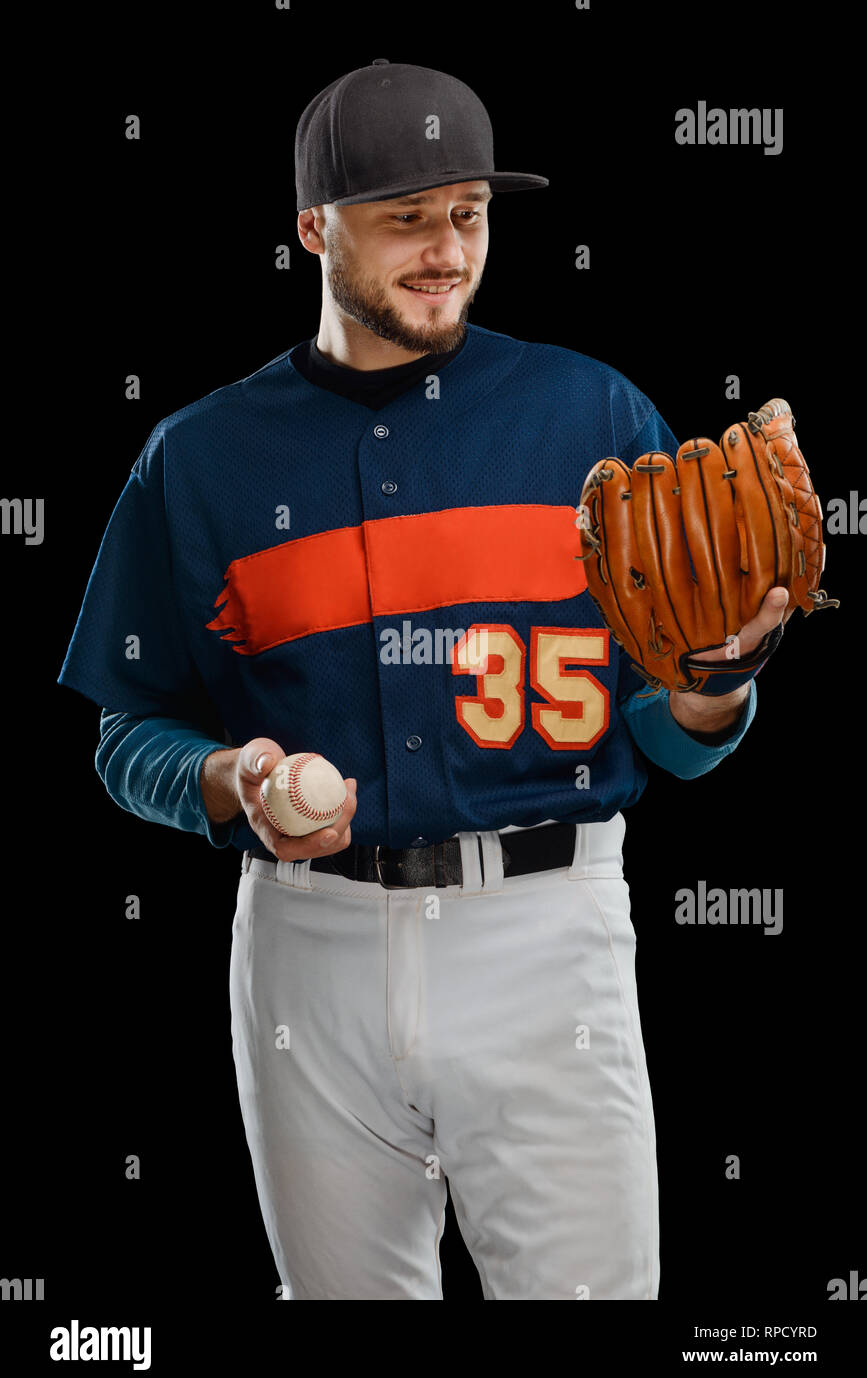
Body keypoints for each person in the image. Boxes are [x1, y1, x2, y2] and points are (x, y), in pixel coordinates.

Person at [58, 60, 788, 1300]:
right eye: (406, 216)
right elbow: (127, 730)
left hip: (545, 934)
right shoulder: (195, 457)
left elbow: (671, 721)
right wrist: (227, 776)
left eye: (468, 212)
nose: (447, 248)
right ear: (312, 229)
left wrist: (719, 685)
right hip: (308, 942)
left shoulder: (596, 416)